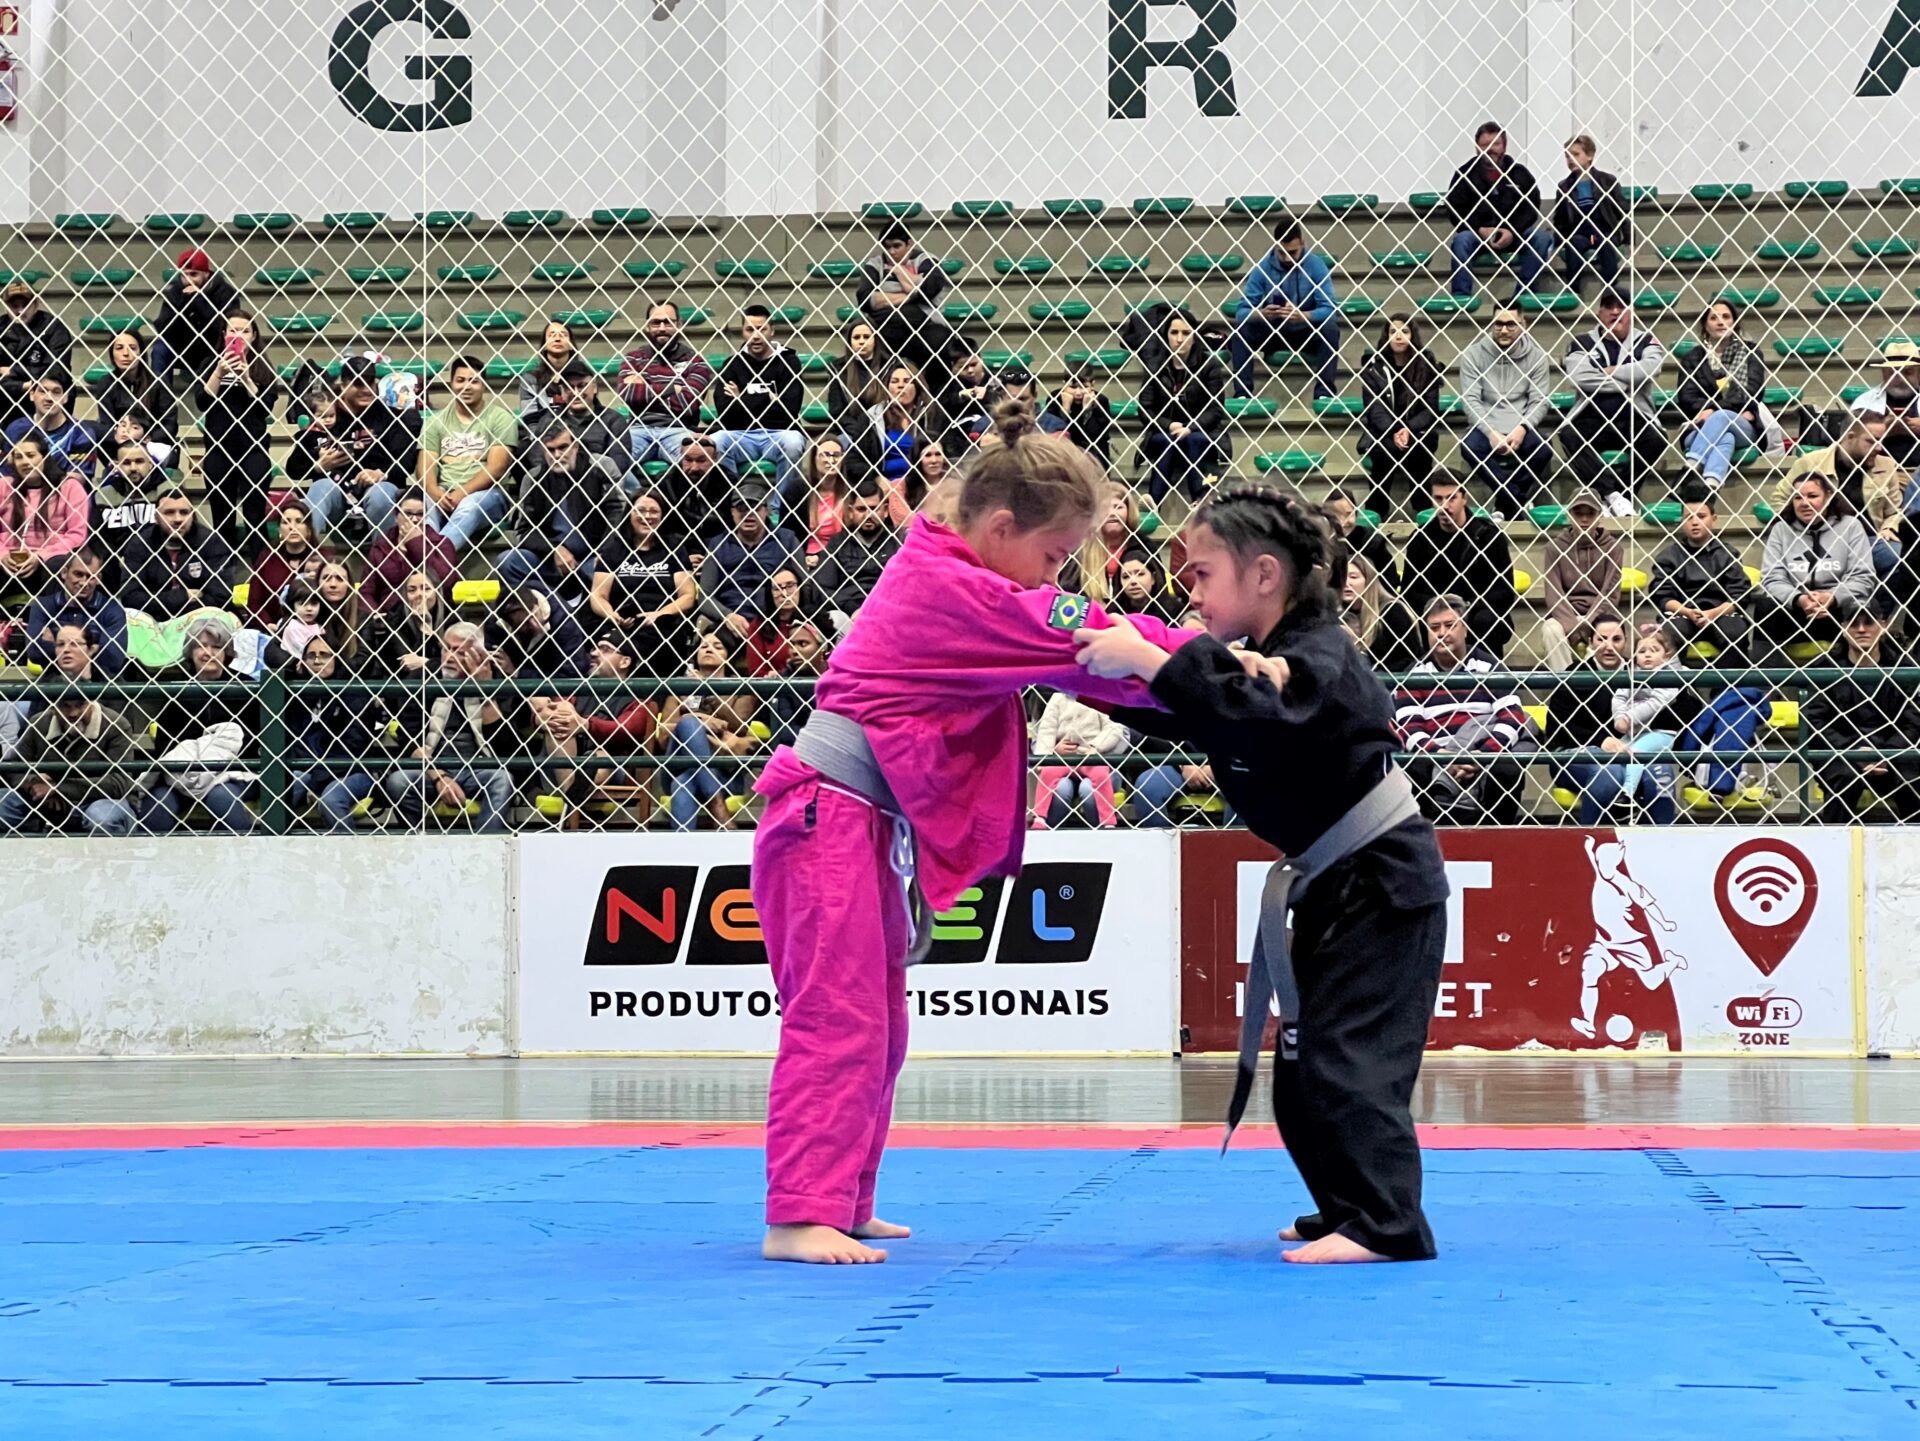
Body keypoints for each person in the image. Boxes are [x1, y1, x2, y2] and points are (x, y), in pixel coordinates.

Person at [752, 398, 1193, 1264]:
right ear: (998, 525)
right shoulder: (959, 591)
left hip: (850, 818)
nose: (1055, 575)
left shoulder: (963, 571)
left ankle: (841, 1199)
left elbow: (1099, 640)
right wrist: (1213, 665)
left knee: (877, 1018)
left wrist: (1191, 660)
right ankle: (797, 1212)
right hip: (823, 813)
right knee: (835, 1014)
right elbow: (1093, 643)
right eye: (1054, 555)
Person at [1075, 482, 1449, 1262]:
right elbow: (1198, 706)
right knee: (1302, 1064)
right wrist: (1074, 669)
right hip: (1336, 885)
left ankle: (1387, 1224)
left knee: (1351, 1060)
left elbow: (1251, 709)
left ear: (1265, 575)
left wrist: (1150, 655)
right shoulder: (1267, 662)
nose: (1190, 589)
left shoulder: (1320, 656)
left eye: (1204, 573)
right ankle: (1346, 1204)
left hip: (1382, 883)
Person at [1393, 594, 1535, 824]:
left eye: (1450, 625)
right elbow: (1408, 728)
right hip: (1437, 759)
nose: (1441, 633)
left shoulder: (1489, 665)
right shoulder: (1414, 674)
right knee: (1410, 767)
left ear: (1465, 629)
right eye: (1434, 627)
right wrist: (1442, 758)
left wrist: (1482, 756)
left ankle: (1497, 842)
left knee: (1507, 769)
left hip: (1483, 757)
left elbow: (1513, 717)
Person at [381, 621, 525, 833]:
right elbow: (409, 738)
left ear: (476, 655)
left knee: (503, 780)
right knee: (398, 782)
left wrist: (485, 693)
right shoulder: (421, 678)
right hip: (432, 768)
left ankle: (486, 846)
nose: (448, 657)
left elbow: (507, 746)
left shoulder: (496, 678)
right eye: (446, 648)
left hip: (479, 767)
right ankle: (416, 842)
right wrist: (440, 778)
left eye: (459, 652)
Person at [0, 661, 157, 836]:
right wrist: (33, 782)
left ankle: (107, 861)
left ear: (91, 701)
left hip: (100, 800)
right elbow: (13, 767)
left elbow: (119, 783)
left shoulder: (116, 724)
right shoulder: (39, 722)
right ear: (53, 707)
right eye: (65, 706)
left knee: (101, 818)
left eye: (80, 705)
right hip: (47, 803)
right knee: (3, 801)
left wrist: (58, 788)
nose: (73, 713)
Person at [1802, 594, 1920, 822]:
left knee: (1912, 782)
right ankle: (1833, 846)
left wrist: (1886, 752)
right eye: (1854, 623)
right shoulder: (1824, 668)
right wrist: (1854, 752)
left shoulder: (1904, 667)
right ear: (1843, 627)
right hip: (1842, 752)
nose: (1862, 629)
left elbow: (1914, 721)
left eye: (1869, 622)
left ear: (1883, 626)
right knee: (1843, 780)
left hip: (1893, 751)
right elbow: (1816, 722)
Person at [498, 413, 624, 614]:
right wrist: (554, 549)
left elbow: (617, 514)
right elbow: (523, 531)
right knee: (508, 561)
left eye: (563, 447)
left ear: (576, 446)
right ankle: (539, 612)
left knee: (612, 569)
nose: (557, 455)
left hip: (595, 557)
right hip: (551, 561)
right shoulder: (533, 479)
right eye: (550, 449)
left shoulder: (601, 467)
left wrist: (605, 551)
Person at [1570, 626, 1696, 824]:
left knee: (1650, 763)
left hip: (1657, 734)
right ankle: (1594, 829)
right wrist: (1619, 719)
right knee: (1616, 762)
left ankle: (1630, 800)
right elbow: (1619, 697)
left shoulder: (1669, 674)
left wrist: (1629, 718)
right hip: (1622, 735)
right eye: (1601, 639)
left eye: (1616, 639)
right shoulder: (1623, 673)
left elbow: (1659, 702)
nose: (1609, 646)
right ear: (1590, 642)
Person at [146, 616, 257, 833]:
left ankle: (249, 857)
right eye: (201, 646)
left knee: (220, 797)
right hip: (183, 776)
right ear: (191, 651)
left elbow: (253, 742)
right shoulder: (177, 691)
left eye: (216, 646)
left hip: (233, 773)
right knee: (158, 804)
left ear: (227, 652)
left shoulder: (246, 688)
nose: (208, 653)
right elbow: (165, 746)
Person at [1561, 290, 1668, 513]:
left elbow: (1651, 368)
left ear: (1632, 312)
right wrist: (1626, 381)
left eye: (1622, 306)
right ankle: (1613, 494)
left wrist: (1612, 371)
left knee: (1657, 439)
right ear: (1600, 312)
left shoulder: (1646, 339)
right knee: (1568, 434)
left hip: (1633, 416)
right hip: (1592, 416)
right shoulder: (1582, 341)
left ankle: (1619, 497)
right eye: (1609, 306)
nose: (1616, 312)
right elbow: (1579, 377)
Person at [296, 357, 421, 540]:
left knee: (382, 492)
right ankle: (302, 558)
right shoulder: (327, 416)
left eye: (370, 382)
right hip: (337, 497)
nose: (365, 389)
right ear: (343, 384)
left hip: (377, 490)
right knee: (320, 486)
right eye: (358, 383)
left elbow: (406, 461)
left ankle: (388, 560)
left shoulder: (391, 417)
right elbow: (293, 468)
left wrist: (381, 473)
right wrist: (318, 465)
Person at [1760, 470, 1877, 655]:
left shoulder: (1851, 526)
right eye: (1798, 497)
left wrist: (1832, 597)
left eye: (1812, 496)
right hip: (1796, 608)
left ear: (1829, 496)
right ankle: (1766, 679)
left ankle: (1854, 675)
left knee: (1862, 606)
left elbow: (1863, 576)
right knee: (1765, 607)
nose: (1805, 503)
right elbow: (1771, 578)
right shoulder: (1781, 529)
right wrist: (1799, 599)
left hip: (1837, 609)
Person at [1774, 413, 1906, 576]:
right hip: (1821, 539)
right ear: (1850, 437)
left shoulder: (1886, 465)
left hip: (1869, 540)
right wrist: (1807, 530)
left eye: (1881, 440)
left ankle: (1874, 600)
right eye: (1872, 441)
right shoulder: (1811, 463)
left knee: (1902, 557)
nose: (1879, 447)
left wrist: (1889, 527)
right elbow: (1779, 500)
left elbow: (1896, 510)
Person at [1399, 475, 1517, 656]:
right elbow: (1410, 591)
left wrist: (1466, 607)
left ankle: (1489, 680)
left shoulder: (1488, 535)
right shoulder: (1420, 539)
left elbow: (1505, 591)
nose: (1444, 506)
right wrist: (1440, 608)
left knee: (1486, 620)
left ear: (1464, 498)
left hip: (1477, 613)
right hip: (1435, 612)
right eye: (1438, 499)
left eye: (1451, 497)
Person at [588, 488, 698, 677]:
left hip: (662, 624)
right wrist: (612, 615)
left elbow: (688, 595)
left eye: (654, 511)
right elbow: (598, 595)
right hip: (620, 624)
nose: (647, 516)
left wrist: (658, 614)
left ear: (663, 516)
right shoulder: (615, 549)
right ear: (630, 514)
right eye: (641, 510)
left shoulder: (673, 547)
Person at [1229, 216, 1340, 400]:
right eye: (1282, 253)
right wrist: (1262, 314)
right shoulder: (1262, 268)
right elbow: (1241, 312)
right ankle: (1243, 395)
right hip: (1273, 330)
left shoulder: (1316, 265)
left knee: (1330, 329)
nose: (1287, 258)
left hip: (1305, 330)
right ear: (1275, 245)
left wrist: (1304, 315)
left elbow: (1330, 309)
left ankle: (1324, 394)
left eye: (1293, 252)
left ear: (1303, 243)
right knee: (1240, 331)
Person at [1456, 306, 1552, 518]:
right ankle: (1517, 498)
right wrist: (1490, 432)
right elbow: (1470, 400)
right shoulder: (1473, 354)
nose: (1504, 330)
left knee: (1544, 448)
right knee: (1468, 447)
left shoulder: (1537, 356)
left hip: (1520, 425)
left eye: (1511, 324)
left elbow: (1540, 401)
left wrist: (1522, 428)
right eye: (1498, 324)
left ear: (1523, 324)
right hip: (1486, 426)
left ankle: (1504, 502)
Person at [195, 311, 282, 543]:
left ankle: (259, 570)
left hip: (253, 450)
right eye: (233, 330)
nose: (238, 335)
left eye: (244, 330)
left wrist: (246, 380)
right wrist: (218, 372)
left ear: (254, 336)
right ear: (224, 334)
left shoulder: (263, 368)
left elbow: (265, 410)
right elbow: (201, 402)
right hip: (218, 449)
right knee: (221, 518)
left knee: (255, 517)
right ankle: (222, 572)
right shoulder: (209, 363)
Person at [712, 305, 808, 513]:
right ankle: (735, 504)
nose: (755, 336)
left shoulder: (788, 361)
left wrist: (741, 399)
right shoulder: (732, 364)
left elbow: (789, 411)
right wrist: (768, 398)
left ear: (771, 331)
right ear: (742, 332)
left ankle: (779, 509)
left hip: (778, 434)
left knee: (793, 443)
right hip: (741, 435)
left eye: (761, 329)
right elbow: (726, 414)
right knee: (717, 441)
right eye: (749, 330)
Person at [659, 628, 757, 830]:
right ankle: (718, 807)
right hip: (677, 761)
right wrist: (700, 719)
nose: (708, 649)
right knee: (688, 724)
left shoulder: (742, 689)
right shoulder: (679, 687)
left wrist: (708, 694)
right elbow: (662, 738)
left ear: (728, 655)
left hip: (724, 773)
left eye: (717, 646)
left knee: (683, 784)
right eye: (703, 646)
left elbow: (740, 729)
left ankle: (681, 855)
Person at [418, 356, 520, 551]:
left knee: (469, 506)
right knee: (421, 507)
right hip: (442, 491)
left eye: (474, 381)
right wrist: (434, 492)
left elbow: (496, 468)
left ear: (484, 386)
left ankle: (434, 561)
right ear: (451, 384)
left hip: (487, 495)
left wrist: (460, 493)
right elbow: (425, 465)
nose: (467, 386)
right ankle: (432, 562)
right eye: (461, 380)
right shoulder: (435, 421)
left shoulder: (501, 418)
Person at [285, 633, 385, 830]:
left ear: (336, 658)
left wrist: (315, 779)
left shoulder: (354, 692)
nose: (317, 660)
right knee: (290, 785)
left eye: (324, 655)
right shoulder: (296, 694)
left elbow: (354, 747)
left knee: (331, 800)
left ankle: (349, 857)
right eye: (311, 656)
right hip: (306, 770)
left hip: (352, 770)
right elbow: (289, 741)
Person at [1445, 121, 1551, 298]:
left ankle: (1524, 295)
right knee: (1461, 241)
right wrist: (1480, 229)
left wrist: (1512, 231)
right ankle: (1461, 297)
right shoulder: (1464, 174)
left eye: (1495, 144)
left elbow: (1531, 208)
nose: (1490, 149)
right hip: (1478, 235)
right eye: (1485, 145)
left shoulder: (1520, 173)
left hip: (1514, 235)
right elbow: (1456, 209)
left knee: (1541, 238)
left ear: (1504, 146)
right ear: (1477, 147)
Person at [1649, 486, 1756, 661]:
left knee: (1735, 631)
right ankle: (1677, 688)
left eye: (1701, 516)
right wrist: (1688, 612)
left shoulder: (1727, 554)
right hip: (1682, 613)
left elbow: (1739, 595)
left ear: (1713, 519)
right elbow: (1662, 596)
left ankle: (1724, 688)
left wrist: (1712, 613)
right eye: (1688, 517)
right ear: (1681, 522)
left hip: (1721, 613)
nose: (1694, 522)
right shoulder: (1669, 555)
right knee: (1671, 633)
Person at [1139, 310, 1231, 505]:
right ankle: (1152, 504)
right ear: (1166, 336)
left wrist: (1190, 427)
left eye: (1185, 333)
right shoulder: (1154, 365)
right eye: (1174, 333)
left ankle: (1199, 497)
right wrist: (1170, 425)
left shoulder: (1209, 365)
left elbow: (1215, 409)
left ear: (1194, 336)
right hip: (1165, 432)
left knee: (1193, 440)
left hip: (1200, 432)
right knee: (1166, 442)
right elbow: (1145, 409)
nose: (1179, 339)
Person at [1677, 301, 1768, 491]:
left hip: (1743, 427)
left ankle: (1690, 467)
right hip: (1700, 427)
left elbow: (1752, 392)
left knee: (1721, 417)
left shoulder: (1750, 352)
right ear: (1704, 324)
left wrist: (1713, 410)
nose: (1720, 322)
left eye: (1726, 317)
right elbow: (1687, 397)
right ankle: (1710, 489)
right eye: (1714, 317)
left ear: (1735, 322)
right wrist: (1727, 410)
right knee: (1725, 437)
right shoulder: (1692, 358)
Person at [1357, 314, 1441, 517]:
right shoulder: (1374, 367)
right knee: (1384, 450)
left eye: (1404, 331)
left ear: (1413, 335)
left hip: (1417, 430)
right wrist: (1395, 430)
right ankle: (1377, 512)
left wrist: (1407, 430)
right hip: (1385, 432)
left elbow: (1430, 409)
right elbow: (1375, 409)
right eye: (1393, 331)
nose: (1398, 336)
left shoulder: (1426, 366)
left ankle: (1423, 511)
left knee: (1418, 449)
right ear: (1386, 335)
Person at [701, 476, 803, 637]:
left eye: (755, 507)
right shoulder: (718, 544)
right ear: (732, 512)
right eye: (742, 508)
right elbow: (705, 596)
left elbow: (804, 586)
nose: (749, 514)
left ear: (767, 510)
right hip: (731, 621)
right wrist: (727, 615)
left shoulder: (787, 540)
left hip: (777, 619)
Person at [855, 221, 954, 383]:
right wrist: (911, 291)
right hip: (888, 326)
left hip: (925, 326)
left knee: (940, 341)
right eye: (887, 247)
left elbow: (930, 288)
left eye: (896, 246)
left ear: (909, 243)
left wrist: (899, 273)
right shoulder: (875, 264)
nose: (891, 252)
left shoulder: (925, 259)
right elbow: (865, 299)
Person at [620, 300, 712, 468]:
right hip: (638, 429)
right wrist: (672, 389)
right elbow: (629, 395)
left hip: (679, 429)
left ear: (679, 325)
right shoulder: (633, 358)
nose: (662, 328)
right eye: (656, 322)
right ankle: (637, 495)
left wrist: (645, 387)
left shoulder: (696, 361)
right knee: (613, 461)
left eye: (668, 322)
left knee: (696, 462)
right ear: (647, 326)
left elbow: (687, 404)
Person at [1538, 490, 1623, 670]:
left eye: (1590, 514)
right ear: (1569, 515)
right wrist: (1573, 625)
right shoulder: (1554, 547)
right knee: (1551, 630)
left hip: (1600, 613)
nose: (1584, 519)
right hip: (1565, 614)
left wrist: (1590, 622)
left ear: (1600, 516)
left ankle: (1597, 689)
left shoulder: (1613, 547)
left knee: (1605, 633)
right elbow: (1553, 594)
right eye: (1578, 513)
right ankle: (1566, 688)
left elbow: (1611, 592)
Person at [0, 432, 89, 597]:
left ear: (45, 457)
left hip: (49, 560)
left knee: (59, 566)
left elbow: (77, 534)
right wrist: (2, 555)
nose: (25, 462)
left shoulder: (69, 487)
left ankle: (49, 619)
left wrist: (41, 556)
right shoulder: (3, 486)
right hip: (9, 559)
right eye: (19, 457)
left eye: (31, 455)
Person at [1030, 688, 1129, 827]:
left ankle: (1108, 820)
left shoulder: (1102, 696)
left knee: (1101, 775)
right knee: (1047, 772)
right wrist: (1047, 755)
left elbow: (1113, 728)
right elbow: (1047, 729)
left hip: (1091, 755)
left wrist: (1096, 747)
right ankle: (1039, 817)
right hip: (1064, 757)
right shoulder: (1058, 698)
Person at [21, 549, 128, 676]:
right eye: (78, 574)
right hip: (54, 685)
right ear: (64, 573)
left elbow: (112, 660)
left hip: (99, 686)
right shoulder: (43, 606)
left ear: (99, 579)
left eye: (91, 577)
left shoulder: (112, 609)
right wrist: (91, 648)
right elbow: (34, 652)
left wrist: (53, 644)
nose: (84, 583)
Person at [152, 248, 240, 401]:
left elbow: (225, 327)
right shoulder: (176, 291)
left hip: (212, 348)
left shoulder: (225, 292)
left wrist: (198, 301)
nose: (188, 280)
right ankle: (160, 403)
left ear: (206, 273)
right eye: (184, 275)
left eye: (194, 274)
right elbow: (162, 328)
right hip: (184, 348)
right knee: (160, 349)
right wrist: (183, 304)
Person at [816, 481, 901, 630]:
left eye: (874, 509)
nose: (869, 515)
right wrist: (851, 609)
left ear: (886, 510)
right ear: (850, 512)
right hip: (848, 613)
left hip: (890, 609)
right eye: (861, 509)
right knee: (835, 619)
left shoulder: (898, 542)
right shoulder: (837, 543)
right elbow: (824, 589)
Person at [1550, 134, 1629, 294]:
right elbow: (1560, 219)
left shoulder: (1607, 181)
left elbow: (1622, 211)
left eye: (1576, 154)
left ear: (1590, 156)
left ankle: (1611, 290)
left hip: (1604, 229)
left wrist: (1629, 239)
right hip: (1579, 231)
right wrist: (1559, 240)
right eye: (1567, 156)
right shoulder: (1564, 186)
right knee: (1574, 245)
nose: (1570, 159)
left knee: (1606, 245)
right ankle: (1573, 289)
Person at [242, 497, 330, 630]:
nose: (292, 527)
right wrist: (267, 624)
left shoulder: (325, 558)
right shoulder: (267, 557)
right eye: (286, 522)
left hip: (317, 631)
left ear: (309, 529)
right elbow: (254, 602)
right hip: (274, 630)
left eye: (299, 521)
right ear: (279, 530)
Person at [361, 490, 455, 614]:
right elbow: (366, 591)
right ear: (396, 516)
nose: (415, 519)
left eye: (420, 514)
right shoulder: (381, 546)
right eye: (408, 514)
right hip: (389, 617)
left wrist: (415, 542)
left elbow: (445, 581)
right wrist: (375, 614)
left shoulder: (442, 544)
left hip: (432, 614)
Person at [850, 363, 938, 490]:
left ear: (917, 387)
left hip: (922, 486)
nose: (900, 385)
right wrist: (877, 478)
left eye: (907, 381)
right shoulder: (871, 417)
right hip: (884, 488)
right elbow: (853, 460)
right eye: (894, 381)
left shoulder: (931, 415)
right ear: (887, 387)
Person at [0, 281, 73, 428]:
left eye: (25, 305)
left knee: (52, 387)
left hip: (44, 394)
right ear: (5, 306)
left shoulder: (53, 327)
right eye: (14, 306)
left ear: (36, 305)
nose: (20, 311)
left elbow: (57, 370)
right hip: (7, 397)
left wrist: (14, 371)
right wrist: (24, 385)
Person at [1340, 551, 1424, 672]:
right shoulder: (1338, 614)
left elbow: (1409, 659)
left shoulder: (1392, 611)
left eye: (1353, 577)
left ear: (1368, 580)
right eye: (1342, 577)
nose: (1347, 583)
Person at [4, 373, 97, 482]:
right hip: (23, 496)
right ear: (32, 394)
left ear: (65, 398)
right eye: (43, 391)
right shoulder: (15, 429)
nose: (49, 398)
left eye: (56, 392)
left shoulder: (81, 433)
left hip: (66, 497)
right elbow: (7, 475)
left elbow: (76, 481)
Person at [92, 331, 176, 449]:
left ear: (141, 352)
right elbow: (107, 426)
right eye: (119, 348)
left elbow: (170, 425)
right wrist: (121, 437)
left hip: (152, 446)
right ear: (112, 354)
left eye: (132, 348)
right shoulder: (106, 384)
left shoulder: (158, 381)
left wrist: (145, 438)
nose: (126, 353)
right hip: (119, 447)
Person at [1321, 487, 1399, 597]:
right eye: (1335, 515)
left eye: (1348, 514)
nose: (1343, 522)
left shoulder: (1373, 542)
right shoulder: (1320, 543)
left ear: (1356, 514)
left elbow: (1390, 583)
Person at [1040, 364, 1119, 470]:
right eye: (1072, 387)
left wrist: (1087, 410)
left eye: (1084, 387)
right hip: (1064, 451)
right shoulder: (1055, 398)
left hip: (1092, 452)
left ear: (1092, 385)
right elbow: (1052, 433)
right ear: (1064, 384)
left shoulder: (1101, 400)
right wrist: (1065, 410)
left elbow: (1095, 435)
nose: (1078, 393)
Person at [825, 319, 886, 444]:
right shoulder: (838, 368)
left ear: (875, 340)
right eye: (856, 337)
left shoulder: (889, 365)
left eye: (867, 337)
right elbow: (837, 411)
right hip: (849, 431)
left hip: (884, 428)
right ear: (850, 342)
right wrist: (859, 431)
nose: (862, 341)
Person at [517, 320, 579, 417]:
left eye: (563, 335)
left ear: (571, 345)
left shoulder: (584, 378)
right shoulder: (530, 380)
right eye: (552, 335)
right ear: (544, 345)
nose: (557, 339)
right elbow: (530, 420)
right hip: (541, 431)